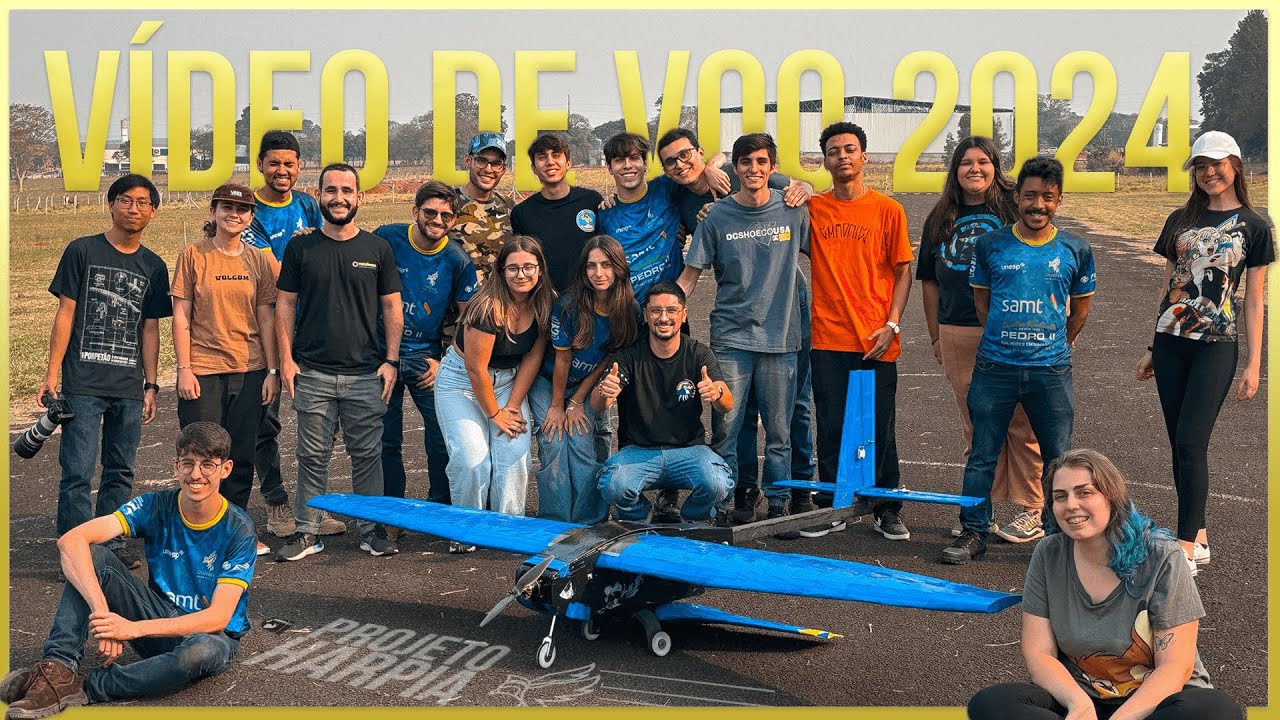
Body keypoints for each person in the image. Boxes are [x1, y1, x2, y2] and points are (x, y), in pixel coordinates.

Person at [0, 423, 256, 719]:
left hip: (210, 635)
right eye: (187, 463)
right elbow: (70, 541)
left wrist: (130, 629)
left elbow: (217, 617)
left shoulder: (239, 528)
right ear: (176, 466)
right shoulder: (155, 504)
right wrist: (104, 616)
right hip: (158, 613)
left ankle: (88, 686)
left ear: (225, 469)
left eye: (208, 465)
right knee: (91, 555)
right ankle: (57, 669)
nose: (196, 475)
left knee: (203, 651)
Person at [967, 449, 1243, 720]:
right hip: (1084, 702)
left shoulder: (1162, 555)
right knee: (993, 704)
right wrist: (1079, 705)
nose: (1071, 504)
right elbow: (1039, 653)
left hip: (1157, 703)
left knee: (1216, 710)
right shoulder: (1049, 553)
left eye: (1084, 492)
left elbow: (1175, 667)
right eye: (1060, 496)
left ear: (1112, 497)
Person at [656, 128, 818, 530]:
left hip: (781, 336)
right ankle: (729, 497)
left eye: (762, 162)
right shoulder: (716, 216)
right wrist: (665, 310)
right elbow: (691, 274)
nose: (753, 169)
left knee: (778, 428)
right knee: (727, 425)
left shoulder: (792, 209)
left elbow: (825, 259)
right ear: (736, 166)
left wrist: (808, 186)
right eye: (746, 162)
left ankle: (779, 502)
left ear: (773, 167)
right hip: (731, 338)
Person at [944, 156, 1096, 565]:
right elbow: (982, 304)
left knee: (1058, 458)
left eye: (1047, 197)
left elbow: (1079, 310)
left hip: (1050, 370)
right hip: (995, 366)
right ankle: (974, 530)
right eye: (1030, 196)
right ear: (1018, 196)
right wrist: (1007, 338)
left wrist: (1057, 345)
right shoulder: (990, 245)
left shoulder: (1075, 249)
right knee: (982, 454)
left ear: (1059, 200)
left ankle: (1057, 538)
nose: (1038, 205)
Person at [1135, 130, 1273, 572]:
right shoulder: (1179, 219)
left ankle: (1185, 547)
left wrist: (1254, 362)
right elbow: (1168, 285)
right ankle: (1199, 536)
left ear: (1234, 165)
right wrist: (1152, 346)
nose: (1209, 172)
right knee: (1180, 445)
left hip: (1216, 346)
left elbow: (1254, 297)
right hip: (1172, 341)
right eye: (1200, 165)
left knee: (1193, 441)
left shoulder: (1255, 225)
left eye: (1216, 163)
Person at [39, 173, 172, 570]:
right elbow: (66, 312)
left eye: (144, 202)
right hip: (83, 383)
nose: (135, 209)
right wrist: (52, 374)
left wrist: (151, 383)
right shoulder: (82, 251)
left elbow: (151, 328)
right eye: (126, 200)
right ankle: (74, 552)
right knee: (77, 471)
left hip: (129, 386)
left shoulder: (153, 265)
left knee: (120, 470)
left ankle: (108, 548)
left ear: (153, 211)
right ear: (111, 204)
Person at [918, 136, 1046, 544]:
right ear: (954, 171)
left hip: (1012, 330)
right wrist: (936, 335)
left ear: (995, 166)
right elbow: (930, 281)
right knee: (977, 425)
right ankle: (980, 510)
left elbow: (1042, 264)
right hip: (958, 330)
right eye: (965, 162)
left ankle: (1033, 509)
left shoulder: (1014, 208)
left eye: (983, 162)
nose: (974, 168)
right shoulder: (941, 216)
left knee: (1022, 422)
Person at [275, 163, 404, 561]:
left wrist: (391, 361)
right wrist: (286, 362)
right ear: (319, 196)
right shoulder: (300, 247)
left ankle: (371, 530)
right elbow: (285, 305)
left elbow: (392, 308)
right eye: (330, 190)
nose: (339, 198)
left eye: (347, 190)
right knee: (311, 457)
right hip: (311, 373)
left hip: (366, 374)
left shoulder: (377, 249)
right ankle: (306, 532)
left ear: (359, 197)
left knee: (367, 457)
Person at [806, 122, 914, 542]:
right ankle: (835, 505)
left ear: (864, 157)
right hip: (827, 337)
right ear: (825, 161)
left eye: (850, 149)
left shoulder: (888, 210)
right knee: (831, 424)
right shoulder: (813, 209)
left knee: (879, 427)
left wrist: (891, 324)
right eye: (833, 151)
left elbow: (903, 272)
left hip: (876, 339)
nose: (843, 156)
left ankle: (886, 508)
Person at [170, 183, 280, 557]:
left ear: (251, 216)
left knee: (239, 457)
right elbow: (181, 317)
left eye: (243, 209)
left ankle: (235, 533)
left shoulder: (259, 260)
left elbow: (267, 318)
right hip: (203, 370)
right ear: (214, 210)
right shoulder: (193, 255)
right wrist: (184, 368)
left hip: (250, 370)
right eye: (227, 207)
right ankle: (195, 535)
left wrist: (272, 371)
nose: (235, 214)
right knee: (199, 456)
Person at [241, 130, 340, 540]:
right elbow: (276, 274)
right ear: (260, 164)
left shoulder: (307, 204)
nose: (282, 171)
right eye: (274, 163)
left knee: (320, 421)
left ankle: (312, 505)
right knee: (265, 420)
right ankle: (276, 501)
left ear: (300, 166)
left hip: (310, 326)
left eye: (290, 164)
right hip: (262, 325)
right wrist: (308, 258)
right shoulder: (249, 209)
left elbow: (330, 246)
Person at [433, 236, 552, 548]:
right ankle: (466, 529)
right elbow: (475, 368)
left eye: (529, 267)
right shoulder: (487, 307)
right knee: (472, 459)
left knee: (515, 454)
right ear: (501, 271)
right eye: (512, 268)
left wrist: (512, 405)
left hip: (509, 382)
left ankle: (506, 530)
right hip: (461, 382)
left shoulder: (544, 301)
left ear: (540, 269)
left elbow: (533, 356)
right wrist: (495, 414)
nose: (521, 275)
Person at [373, 181, 480, 516]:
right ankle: (391, 513)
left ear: (454, 219)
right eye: (430, 212)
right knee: (385, 440)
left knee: (440, 437)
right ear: (414, 211)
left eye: (446, 215)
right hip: (381, 356)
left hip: (426, 359)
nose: (437, 220)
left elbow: (469, 321)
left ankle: (440, 509)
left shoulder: (457, 260)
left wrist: (444, 361)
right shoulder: (386, 237)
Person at [592, 282, 734, 524]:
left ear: (684, 314)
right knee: (613, 485)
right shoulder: (629, 356)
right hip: (638, 451)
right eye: (656, 311)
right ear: (646, 316)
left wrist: (716, 393)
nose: (664, 318)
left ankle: (693, 520)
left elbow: (727, 403)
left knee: (719, 483)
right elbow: (598, 404)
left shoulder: (698, 354)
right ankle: (639, 517)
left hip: (689, 451)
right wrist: (605, 392)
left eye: (671, 310)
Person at [530, 236, 638, 523]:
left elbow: (608, 357)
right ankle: (555, 520)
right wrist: (557, 405)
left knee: (581, 443)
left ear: (619, 269)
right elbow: (562, 359)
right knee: (553, 441)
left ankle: (589, 519)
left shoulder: (628, 308)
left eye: (606, 265)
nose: (598, 273)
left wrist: (577, 400)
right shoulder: (568, 305)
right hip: (549, 381)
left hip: (585, 384)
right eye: (591, 266)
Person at [511, 133, 604, 293]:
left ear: (568, 163)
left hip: (587, 300)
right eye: (542, 157)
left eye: (556, 155)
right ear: (534, 167)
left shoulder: (591, 201)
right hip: (543, 303)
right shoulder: (521, 213)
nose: (550, 162)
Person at [453, 132, 516, 282]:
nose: (488, 169)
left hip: (501, 302)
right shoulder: (447, 204)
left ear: (503, 169)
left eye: (496, 163)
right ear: (468, 161)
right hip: (458, 303)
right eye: (481, 161)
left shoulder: (511, 209)